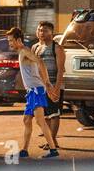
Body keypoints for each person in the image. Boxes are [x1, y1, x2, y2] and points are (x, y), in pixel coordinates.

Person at [8, 27, 59, 159]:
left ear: (18, 40)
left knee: (40, 121)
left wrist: (47, 83)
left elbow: (40, 62)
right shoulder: (22, 52)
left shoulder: (25, 51)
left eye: (11, 40)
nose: (10, 43)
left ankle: (53, 150)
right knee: (27, 120)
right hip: (32, 91)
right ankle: (24, 150)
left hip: (36, 90)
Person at [33, 21, 66, 148]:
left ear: (52, 32)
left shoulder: (57, 48)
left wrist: (57, 88)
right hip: (40, 86)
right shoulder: (35, 47)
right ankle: (51, 141)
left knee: (54, 114)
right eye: (40, 30)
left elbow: (61, 70)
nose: (42, 33)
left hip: (53, 85)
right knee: (44, 115)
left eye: (45, 30)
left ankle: (52, 141)